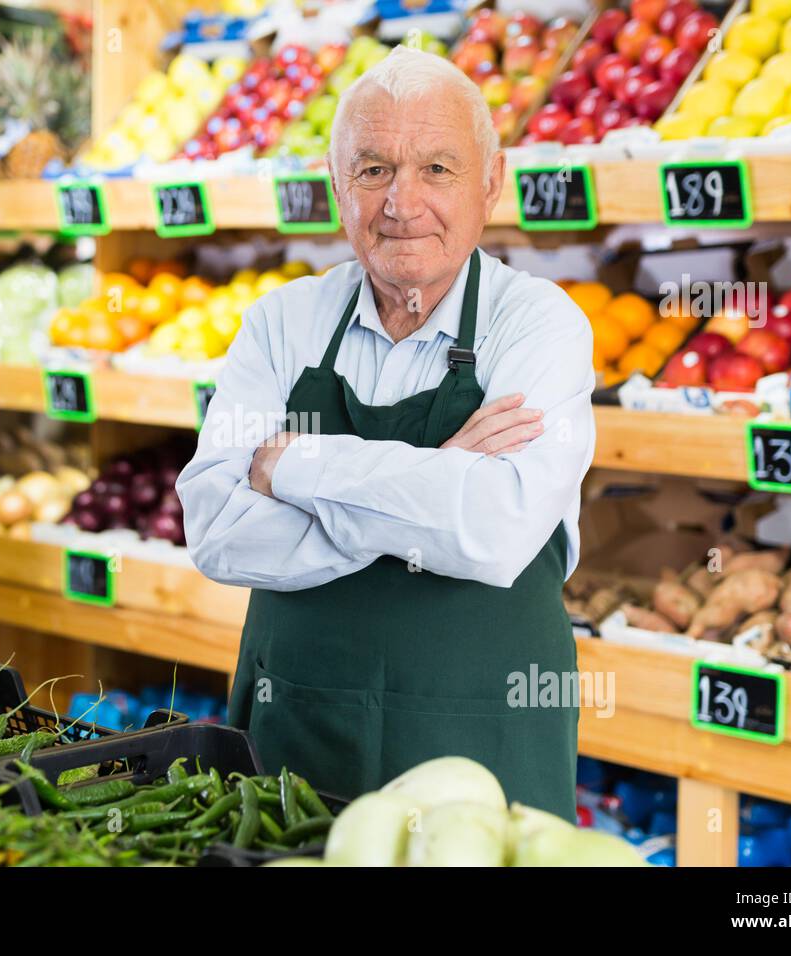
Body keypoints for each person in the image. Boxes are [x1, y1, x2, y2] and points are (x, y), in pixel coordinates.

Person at [176, 47, 595, 819]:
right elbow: (216, 530)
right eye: (372, 170)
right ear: (338, 186)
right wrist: (435, 479)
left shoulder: (539, 325)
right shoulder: (279, 324)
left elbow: (494, 531)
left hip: (487, 748)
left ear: (491, 182)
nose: (402, 202)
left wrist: (298, 466)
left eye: (438, 168)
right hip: (295, 736)